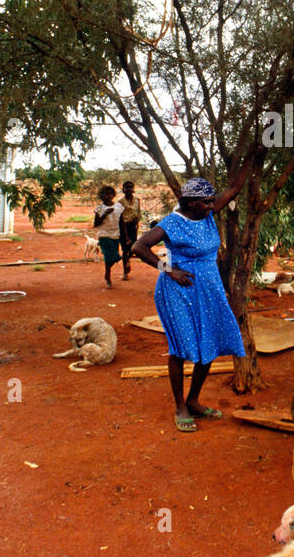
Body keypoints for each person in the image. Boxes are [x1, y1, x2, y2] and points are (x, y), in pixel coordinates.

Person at [130, 174, 248, 432]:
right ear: (191, 201)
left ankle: (194, 400)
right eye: (206, 202)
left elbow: (234, 186)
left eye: (211, 201)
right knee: (181, 347)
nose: (211, 206)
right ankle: (180, 405)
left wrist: (260, 146)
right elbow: (139, 247)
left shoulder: (206, 214)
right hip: (178, 291)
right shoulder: (171, 223)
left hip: (209, 289)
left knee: (209, 342)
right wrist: (169, 270)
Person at [93, 185, 124, 289]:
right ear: (102, 195)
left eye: (110, 193)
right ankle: (108, 277)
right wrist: (105, 214)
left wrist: (126, 236)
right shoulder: (99, 208)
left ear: (113, 195)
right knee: (111, 256)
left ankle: (107, 273)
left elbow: (122, 222)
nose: (108, 196)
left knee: (112, 258)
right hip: (103, 234)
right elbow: (96, 224)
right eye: (105, 194)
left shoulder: (118, 206)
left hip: (116, 234)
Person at [119, 180, 142, 280]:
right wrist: (126, 236)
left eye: (130, 187)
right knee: (125, 249)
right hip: (124, 227)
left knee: (133, 248)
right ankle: (125, 272)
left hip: (133, 226)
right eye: (126, 187)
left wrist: (137, 224)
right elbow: (121, 219)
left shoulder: (137, 200)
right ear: (123, 189)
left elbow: (138, 212)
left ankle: (127, 261)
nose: (129, 189)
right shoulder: (120, 202)